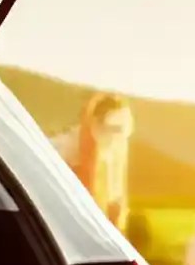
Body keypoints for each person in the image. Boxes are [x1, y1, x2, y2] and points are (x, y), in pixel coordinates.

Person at [51, 93, 135, 232]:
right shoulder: (62, 150)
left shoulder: (112, 152)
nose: (114, 139)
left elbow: (114, 201)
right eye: (110, 129)